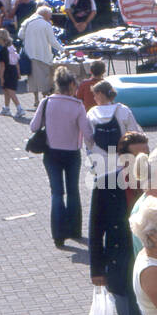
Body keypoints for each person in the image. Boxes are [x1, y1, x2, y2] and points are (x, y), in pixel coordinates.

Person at [91, 130, 149, 315]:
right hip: (121, 266)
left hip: (153, 264)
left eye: (147, 154)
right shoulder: (106, 184)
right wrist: (97, 271)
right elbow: (95, 231)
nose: (144, 160)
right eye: (138, 155)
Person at [30, 67, 92, 248]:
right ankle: (75, 230)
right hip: (72, 153)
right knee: (73, 192)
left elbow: (34, 127)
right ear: (72, 84)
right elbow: (87, 133)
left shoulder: (46, 102)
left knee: (57, 193)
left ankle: (58, 235)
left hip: (51, 153)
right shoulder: (77, 105)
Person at [85, 80, 140, 184]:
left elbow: (88, 138)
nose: (94, 98)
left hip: (100, 158)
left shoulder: (92, 113)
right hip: (122, 157)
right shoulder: (123, 110)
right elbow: (134, 134)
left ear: (100, 94)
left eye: (95, 95)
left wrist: (93, 151)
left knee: (104, 190)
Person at [20, 5, 62, 107]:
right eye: (49, 16)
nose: (50, 18)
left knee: (33, 78)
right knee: (45, 78)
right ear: (45, 14)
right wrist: (63, 49)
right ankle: (44, 99)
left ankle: (36, 100)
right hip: (43, 54)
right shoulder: (46, 24)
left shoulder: (27, 21)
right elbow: (52, 41)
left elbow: (20, 35)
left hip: (30, 53)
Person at [0, 29, 23, 119]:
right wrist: (18, 72)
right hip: (13, 69)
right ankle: (6, 108)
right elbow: (17, 61)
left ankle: (19, 108)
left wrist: (1, 77)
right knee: (6, 90)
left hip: (7, 71)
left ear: (0, 39)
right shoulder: (12, 47)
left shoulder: (3, 51)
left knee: (10, 91)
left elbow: (2, 65)